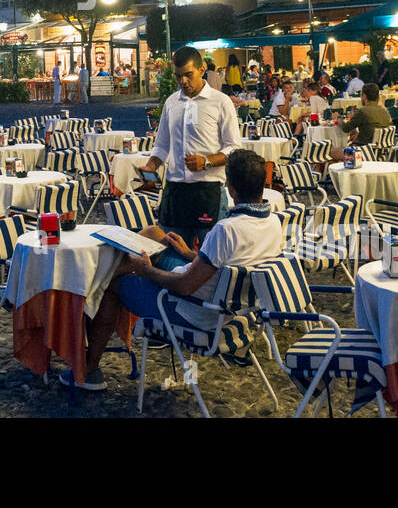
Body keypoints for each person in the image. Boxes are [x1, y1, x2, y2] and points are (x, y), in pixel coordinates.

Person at [61, 149, 283, 391]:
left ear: (230, 188)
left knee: (114, 282)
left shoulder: (227, 229)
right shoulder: (272, 223)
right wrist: (188, 253)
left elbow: (184, 285)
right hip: (220, 302)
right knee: (156, 234)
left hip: (192, 310)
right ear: (263, 184)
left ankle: (89, 366)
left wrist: (145, 271)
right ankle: (93, 293)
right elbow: (226, 262)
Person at [145, 47, 242, 249]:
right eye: (178, 76)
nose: (183, 82)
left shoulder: (221, 102)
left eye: (188, 75)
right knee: (168, 252)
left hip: (207, 191)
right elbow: (162, 144)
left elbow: (234, 148)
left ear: (202, 69)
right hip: (175, 190)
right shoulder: (172, 102)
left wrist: (206, 162)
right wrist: (151, 166)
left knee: (210, 256)